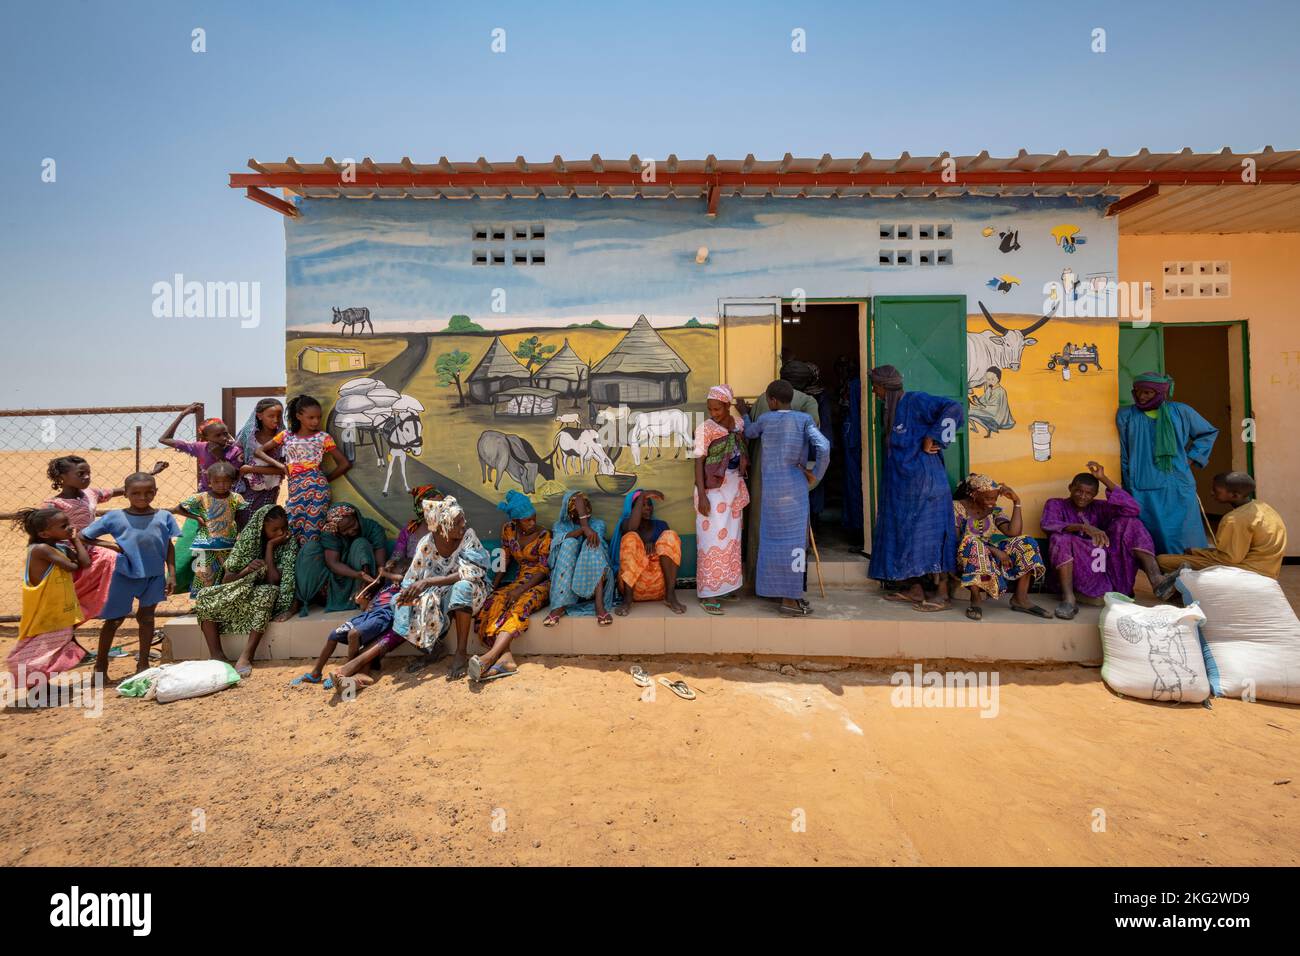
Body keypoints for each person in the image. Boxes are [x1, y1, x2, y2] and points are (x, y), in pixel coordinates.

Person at [330, 496, 490, 692]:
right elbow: (411, 580)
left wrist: (427, 582)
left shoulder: (468, 537)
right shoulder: (426, 544)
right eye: (457, 522)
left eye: (462, 520)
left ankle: (461, 652)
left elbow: (472, 571)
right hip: (437, 594)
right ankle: (359, 667)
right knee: (403, 604)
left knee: (462, 587)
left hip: (470, 590)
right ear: (442, 527)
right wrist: (408, 594)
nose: (463, 524)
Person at [865, 365, 962, 612]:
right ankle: (915, 587)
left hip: (926, 488)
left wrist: (935, 437)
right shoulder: (891, 410)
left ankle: (942, 594)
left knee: (930, 538)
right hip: (902, 489)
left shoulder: (916, 401)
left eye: (876, 387)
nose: (874, 392)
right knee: (906, 536)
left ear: (885, 387)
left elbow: (955, 409)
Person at [736, 380, 830, 616]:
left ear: (772, 401)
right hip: (796, 492)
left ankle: (783, 596)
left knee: (771, 543)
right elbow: (824, 447)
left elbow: (748, 432)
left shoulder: (766, 420)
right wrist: (815, 474)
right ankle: (792, 596)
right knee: (795, 545)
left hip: (771, 493)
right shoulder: (804, 420)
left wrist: (745, 413)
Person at [43, 454, 167, 621]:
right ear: (61, 477)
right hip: (69, 552)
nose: (87, 477)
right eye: (81, 474)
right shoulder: (53, 504)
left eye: (88, 473)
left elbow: (128, 488)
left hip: (90, 547)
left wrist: (151, 473)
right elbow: (44, 532)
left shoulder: (91, 493)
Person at [82, 473, 180, 678]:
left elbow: (169, 546)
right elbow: (83, 536)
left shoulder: (164, 516)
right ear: (125, 493)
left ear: (155, 492)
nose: (142, 497)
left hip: (153, 576)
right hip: (124, 575)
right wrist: (111, 545)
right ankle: (100, 667)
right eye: (135, 493)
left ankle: (143, 664)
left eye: (148, 493)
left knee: (146, 618)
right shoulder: (114, 516)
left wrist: (171, 573)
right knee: (114, 620)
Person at [1040, 461, 1162, 619]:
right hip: (1078, 565)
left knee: (1132, 523)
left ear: (1095, 494)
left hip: (1109, 566)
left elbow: (1133, 508)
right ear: (1070, 488)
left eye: (1089, 493)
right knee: (1059, 538)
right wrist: (1083, 527)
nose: (1083, 496)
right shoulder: (1055, 504)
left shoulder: (1100, 507)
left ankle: (1156, 579)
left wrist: (1104, 479)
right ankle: (1069, 599)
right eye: (1078, 491)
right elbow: (1048, 524)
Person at [1116, 372, 1218, 555]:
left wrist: (1191, 458)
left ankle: (1189, 576)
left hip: (1177, 483)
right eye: (1138, 392)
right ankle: (1161, 575)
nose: (1141, 396)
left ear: (1160, 393)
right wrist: (1126, 483)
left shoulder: (1181, 411)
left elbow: (1207, 433)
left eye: (1148, 392)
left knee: (1185, 535)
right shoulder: (1126, 415)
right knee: (1150, 537)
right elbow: (1124, 452)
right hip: (1142, 486)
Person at [192, 504, 298, 676]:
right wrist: (247, 570)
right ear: (261, 529)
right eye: (275, 529)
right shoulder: (247, 541)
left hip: (267, 598)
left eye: (284, 527)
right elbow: (227, 581)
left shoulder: (288, 543)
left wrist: (270, 547)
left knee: (267, 592)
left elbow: (274, 580)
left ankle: (247, 655)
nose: (281, 533)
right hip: (240, 592)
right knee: (204, 596)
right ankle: (217, 655)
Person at [161, 404, 243, 594]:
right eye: (218, 436)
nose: (224, 438)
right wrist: (183, 415)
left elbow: (233, 476)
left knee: (225, 550)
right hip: (204, 504)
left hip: (226, 503)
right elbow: (164, 439)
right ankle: (195, 589)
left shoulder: (233, 452)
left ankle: (224, 589)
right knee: (198, 549)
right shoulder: (200, 448)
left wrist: (220, 457)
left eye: (226, 434)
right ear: (204, 439)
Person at [472, 490, 552, 682]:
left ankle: (490, 657)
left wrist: (518, 591)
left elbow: (543, 570)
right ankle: (506, 658)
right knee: (492, 602)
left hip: (541, 584)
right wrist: (494, 585)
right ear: (516, 521)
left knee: (518, 607)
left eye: (533, 518)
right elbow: (504, 559)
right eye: (527, 520)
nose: (532, 523)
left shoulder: (544, 535)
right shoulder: (508, 530)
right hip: (519, 580)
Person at [1154, 472, 1287, 586]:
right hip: (1269, 569)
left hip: (1249, 571)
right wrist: (1197, 552)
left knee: (1162, 561)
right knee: (1192, 554)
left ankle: (1178, 591)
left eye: (1216, 491)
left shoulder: (1235, 519)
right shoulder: (1262, 507)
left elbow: (1229, 559)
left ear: (1235, 495)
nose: (1212, 493)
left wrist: (1197, 552)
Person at [292, 557, 407, 689]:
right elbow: (368, 605)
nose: (390, 571)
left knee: (353, 634)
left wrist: (384, 572)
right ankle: (316, 672)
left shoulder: (404, 584)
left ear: (403, 570)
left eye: (394, 569)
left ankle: (346, 672)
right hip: (368, 615)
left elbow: (400, 578)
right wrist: (363, 602)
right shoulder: (386, 586)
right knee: (333, 635)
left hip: (382, 616)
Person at [6, 508, 91, 686]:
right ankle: (37, 687)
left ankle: (41, 686)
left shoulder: (57, 547)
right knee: (40, 653)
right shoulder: (41, 550)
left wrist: (74, 540)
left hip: (57, 613)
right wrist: (74, 541)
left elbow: (84, 563)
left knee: (49, 653)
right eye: (64, 526)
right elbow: (73, 567)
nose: (70, 528)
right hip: (45, 614)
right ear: (44, 533)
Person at [953, 474, 1049, 621]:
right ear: (974, 495)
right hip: (963, 556)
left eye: (994, 498)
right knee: (973, 544)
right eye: (988, 498)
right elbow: (957, 541)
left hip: (989, 554)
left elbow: (1013, 532)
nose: (992, 502)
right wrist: (993, 550)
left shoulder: (994, 510)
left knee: (1026, 542)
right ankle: (975, 599)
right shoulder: (957, 507)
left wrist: (1017, 501)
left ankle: (1020, 598)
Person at [257, 394, 352, 543]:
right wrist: (281, 466)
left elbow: (344, 464)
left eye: (318, 417)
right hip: (295, 487)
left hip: (318, 489)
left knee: (313, 531)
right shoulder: (286, 435)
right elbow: (259, 451)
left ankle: (309, 563)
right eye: (311, 417)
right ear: (299, 416)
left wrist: (324, 479)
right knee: (291, 527)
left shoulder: (323, 437)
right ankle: (293, 565)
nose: (316, 421)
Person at [693, 384, 749, 614]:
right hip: (713, 490)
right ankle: (708, 593)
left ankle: (727, 587)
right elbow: (698, 461)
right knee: (711, 539)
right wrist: (702, 494)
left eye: (717, 409)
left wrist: (745, 411)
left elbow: (745, 440)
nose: (713, 413)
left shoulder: (738, 425)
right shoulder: (704, 429)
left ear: (727, 406)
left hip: (734, 488)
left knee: (732, 539)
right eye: (710, 409)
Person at [294, 503, 388, 613]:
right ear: (337, 530)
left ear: (356, 516)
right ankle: (300, 601)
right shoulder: (331, 532)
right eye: (344, 530)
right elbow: (333, 563)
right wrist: (357, 574)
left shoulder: (372, 528)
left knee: (361, 543)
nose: (351, 531)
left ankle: (362, 596)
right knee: (310, 548)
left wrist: (372, 582)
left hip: (366, 582)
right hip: (338, 578)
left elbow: (380, 565)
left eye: (353, 525)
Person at [544, 490, 615, 626]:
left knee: (591, 544)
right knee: (569, 543)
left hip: (594, 578)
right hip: (566, 582)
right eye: (582, 511)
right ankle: (560, 605)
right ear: (571, 514)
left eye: (588, 508)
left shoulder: (598, 524)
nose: (587, 512)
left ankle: (599, 605)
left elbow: (596, 545)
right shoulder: (559, 526)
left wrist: (586, 526)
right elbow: (554, 555)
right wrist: (583, 529)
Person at [177, 461, 247, 596]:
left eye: (226, 481)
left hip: (229, 543)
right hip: (206, 544)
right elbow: (179, 508)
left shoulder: (236, 498)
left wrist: (240, 533)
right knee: (204, 573)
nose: (221, 485)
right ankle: (202, 602)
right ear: (209, 482)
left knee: (227, 572)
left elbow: (241, 517)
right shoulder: (201, 497)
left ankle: (220, 602)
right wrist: (196, 517)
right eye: (216, 482)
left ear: (232, 482)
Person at [612, 490, 685, 616]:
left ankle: (670, 595)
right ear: (632, 509)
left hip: (658, 586)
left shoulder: (661, 525)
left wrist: (654, 545)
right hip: (634, 586)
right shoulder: (625, 524)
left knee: (670, 535)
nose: (647, 508)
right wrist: (643, 495)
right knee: (630, 538)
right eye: (642, 505)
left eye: (649, 504)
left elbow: (667, 552)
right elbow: (632, 529)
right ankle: (627, 600)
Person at [234, 398, 286, 526]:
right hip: (247, 488)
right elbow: (236, 459)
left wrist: (251, 469)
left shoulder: (284, 438)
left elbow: (283, 469)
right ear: (259, 415)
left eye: (279, 416)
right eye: (271, 416)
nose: (276, 420)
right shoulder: (248, 435)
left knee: (264, 523)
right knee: (243, 522)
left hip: (270, 489)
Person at [392, 484, 444, 562]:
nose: (437, 510)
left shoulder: (447, 530)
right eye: (432, 506)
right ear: (420, 508)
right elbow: (396, 559)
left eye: (440, 505)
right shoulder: (409, 530)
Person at [967, 367, 1015, 437]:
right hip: (989, 411)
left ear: (998, 379)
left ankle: (987, 428)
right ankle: (984, 428)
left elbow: (994, 409)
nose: (990, 381)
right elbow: (984, 400)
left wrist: (978, 406)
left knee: (969, 412)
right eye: (988, 379)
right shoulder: (990, 388)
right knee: (969, 411)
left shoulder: (1000, 391)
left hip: (998, 418)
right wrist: (976, 401)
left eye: (992, 379)